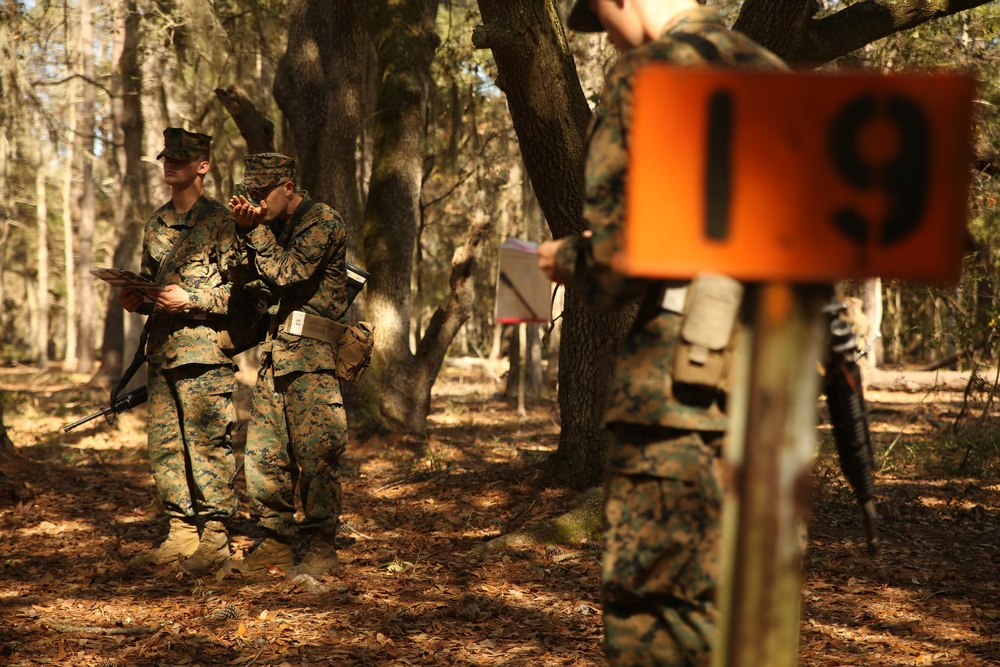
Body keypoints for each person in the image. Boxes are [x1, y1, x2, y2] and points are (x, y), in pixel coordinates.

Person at [537, 1, 787, 664]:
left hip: (678, 394)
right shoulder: (775, 73)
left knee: (658, 617)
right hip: (769, 385)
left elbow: (620, 260)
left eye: (604, 21)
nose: (611, 40)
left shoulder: (648, 75)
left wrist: (565, 258)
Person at [216, 153, 350, 580]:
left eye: (261, 194)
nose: (256, 204)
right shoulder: (265, 228)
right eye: (249, 195)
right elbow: (237, 272)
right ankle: (274, 540)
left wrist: (257, 231)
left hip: (312, 358)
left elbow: (289, 273)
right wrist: (245, 230)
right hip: (276, 354)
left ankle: (320, 546)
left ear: (287, 187)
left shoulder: (322, 221)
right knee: (264, 456)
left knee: (316, 455)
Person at [119, 128, 240, 574]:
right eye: (165, 158)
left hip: (205, 354)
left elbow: (245, 297)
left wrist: (194, 300)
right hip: (162, 351)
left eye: (180, 159)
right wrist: (136, 300)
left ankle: (215, 537)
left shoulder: (223, 222)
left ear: (202, 166)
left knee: (208, 445)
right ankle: (181, 531)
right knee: (166, 448)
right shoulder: (156, 223)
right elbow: (153, 286)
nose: (169, 165)